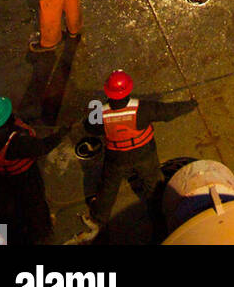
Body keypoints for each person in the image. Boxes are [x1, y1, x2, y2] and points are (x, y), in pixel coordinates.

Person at [80, 71, 197, 236]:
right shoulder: (143, 108)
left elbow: (89, 127)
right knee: (154, 185)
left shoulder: (101, 113)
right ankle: (162, 220)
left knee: (108, 187)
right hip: (144, 154)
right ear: (128, 90)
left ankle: (97, 219)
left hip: (117, 158)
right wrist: (190, 104)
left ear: (108, 92)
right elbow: (168, 112)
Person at [0, 95, 64, 245]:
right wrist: (60, 135)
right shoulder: (16, 143)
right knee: (35, 205)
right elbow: (41, 147)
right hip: (25, 176)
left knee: (11, 205)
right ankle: (42, 233)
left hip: (2, 176)